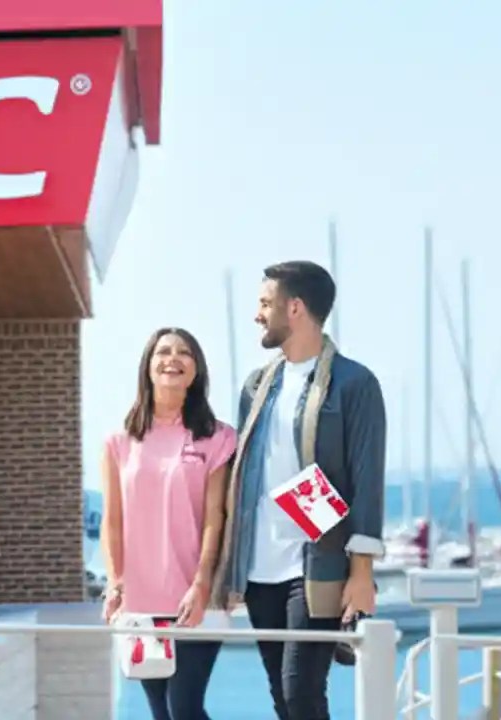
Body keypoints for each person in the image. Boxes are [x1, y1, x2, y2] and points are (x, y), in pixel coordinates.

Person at [210, 260, 386, 720]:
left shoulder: (353, 384)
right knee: (283, 698)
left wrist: (362, 573)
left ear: (295, 308)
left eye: (265, 303)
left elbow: (367, 480)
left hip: (316, 563)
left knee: (301, 694)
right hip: (259, 567)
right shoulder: (257, 385)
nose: (257, 314)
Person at [100, 327, 237, 720]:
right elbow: (113, 521)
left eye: (184, 353)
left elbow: (215, 518)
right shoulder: (119, 441)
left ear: (197, 370)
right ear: (148, 365)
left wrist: (202, 582)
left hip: (195, 598)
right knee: (161, 711)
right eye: (163, 351)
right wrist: (116, 583)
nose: (172, 359)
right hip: (141, 600)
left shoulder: (217, 437)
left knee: (184, 708)